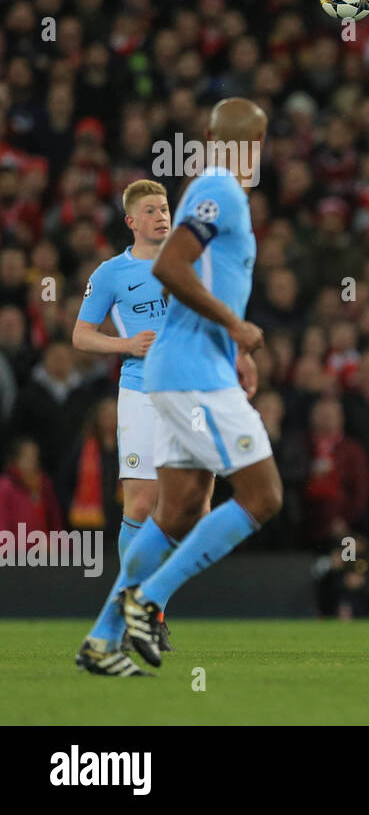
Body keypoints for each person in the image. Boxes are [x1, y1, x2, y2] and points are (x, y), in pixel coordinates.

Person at [90, 97, 282, 674]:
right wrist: (233, 327)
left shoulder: (209, 189)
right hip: (193, 375)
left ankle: (102, 640)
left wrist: (232, 350)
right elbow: (169, 267)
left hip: (188, 366)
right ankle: (145, 601)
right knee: (263, 496)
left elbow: (185, 280)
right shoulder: (220, 188)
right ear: (256, 147)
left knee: (179, 511)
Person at [74, 179, 198, 673]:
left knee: (186, 507)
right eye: (150, 210)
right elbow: (81, 336)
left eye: (164, 207)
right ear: (131, 222)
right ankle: (139, 610)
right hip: (141, 393)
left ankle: (149, 605)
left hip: (189, 393)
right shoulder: (111, 273)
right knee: (141, 503)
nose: (161, 216)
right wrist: (125, 345)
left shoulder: (189, 262)